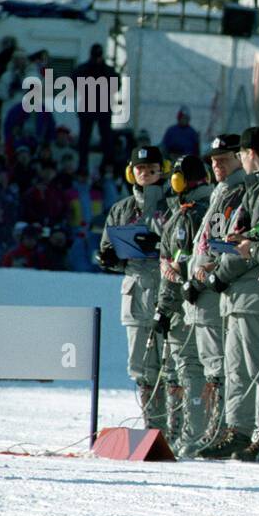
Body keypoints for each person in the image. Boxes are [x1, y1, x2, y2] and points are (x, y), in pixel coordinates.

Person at [196, 127, 259, 460]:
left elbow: (250, 242)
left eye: (228, 157)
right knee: (237, 367)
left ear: (247, 154)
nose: (218, 165)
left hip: (253, 290)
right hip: (236, 291)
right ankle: (239, 429)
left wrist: (220, 272)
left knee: (257, 367)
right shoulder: (250, 189)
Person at [96, 145, 170, 431]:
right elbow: (107, 249)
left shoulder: (172, 205)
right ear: (131, 172)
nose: (146, 174)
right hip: (136, 292)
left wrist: (161, 246)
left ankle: (175, 426)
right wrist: (109, 258)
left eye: (152, 169)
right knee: (140, 365)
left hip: (166, 289)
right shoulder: (121, 209)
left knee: (171, 362)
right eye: (140, 169)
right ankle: (153, 424)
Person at [183, 133, 245, 456]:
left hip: (213, 289)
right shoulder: (221, 193)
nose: (217, 165)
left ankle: (221, 426)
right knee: (211, 362)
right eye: (213, 160)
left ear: (240, 158)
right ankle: (215, 426)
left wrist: (203, 276)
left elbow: (223, 244)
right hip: (203, 286)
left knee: (218, 364)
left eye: (224, 159)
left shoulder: (236, 191)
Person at [154, 155, 213, 454]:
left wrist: (164, 308)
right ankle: (187, 432)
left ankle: (192, 433)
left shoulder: (187, 216)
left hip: (183, 305)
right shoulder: (202, 208)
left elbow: (174, 269)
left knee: (188, 368)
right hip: (199, 303)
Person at [72, 44, 118, 173]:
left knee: (106, 139)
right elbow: (73, 81)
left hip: (101, 107)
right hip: (88, 107)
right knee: (85, 140)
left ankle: (107, 166)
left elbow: (116, 85)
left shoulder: (106, 70)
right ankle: (83, 165)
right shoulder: (85, 68)